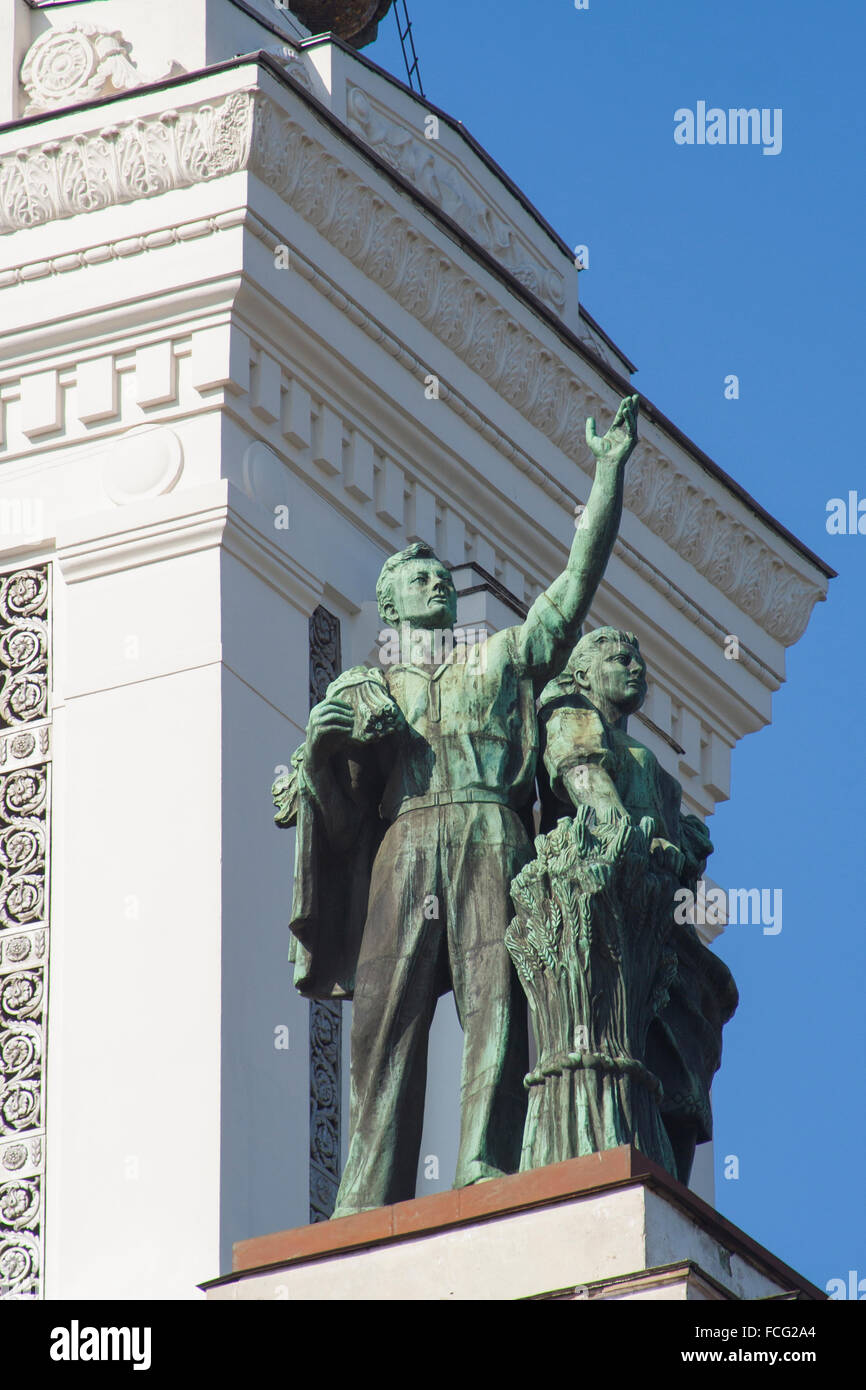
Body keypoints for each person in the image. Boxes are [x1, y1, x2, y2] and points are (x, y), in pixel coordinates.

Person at [281, 396, 640, 1215]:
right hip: (403, 843)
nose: (435, 582)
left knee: (497, 1006)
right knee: (380, 1022)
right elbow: (334, 814)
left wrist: (608, 474)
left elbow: (573, 586)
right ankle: (367, 1198)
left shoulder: (501, 658)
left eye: (441, 577)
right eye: (418, 577)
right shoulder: (362, 684)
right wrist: (330, 749)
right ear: (392, 601)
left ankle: (484, 1162)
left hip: (490, 827)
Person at [536, 625, 738, 1185]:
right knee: (648, 1042)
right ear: (581, 674)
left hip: (664, 929)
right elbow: (582, 774)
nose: (634, 667)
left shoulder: (648, 760)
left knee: (693, 1049)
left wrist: (686, 848)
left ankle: (667, 1177)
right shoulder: (572, 716)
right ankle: (634, 1155)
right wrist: (615, 820)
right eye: (619, 658)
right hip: (615, 922)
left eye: (638, 659)